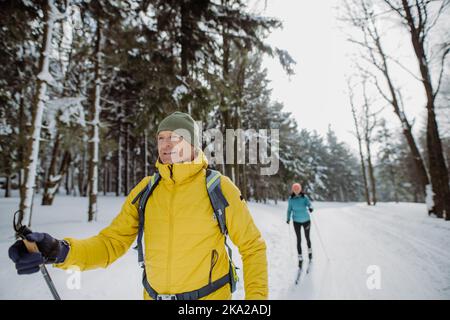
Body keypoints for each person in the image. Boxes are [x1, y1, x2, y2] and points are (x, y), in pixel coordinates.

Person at [9, 111, 268, 300]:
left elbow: (252, 247)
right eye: (161, 137)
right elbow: (110, 243)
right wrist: (58, 250)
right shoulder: (146, 189)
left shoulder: (218, 187)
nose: (166, 144)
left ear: (193, 145)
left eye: (175, 137)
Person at [286, 183, 313, 269]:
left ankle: (310, 252)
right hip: (296, 221)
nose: (296, 191)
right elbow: (289, 210)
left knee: (307, 238)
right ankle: (300, 258)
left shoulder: (304, 197)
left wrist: (310, 208)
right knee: (299, 240)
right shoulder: (291, 199)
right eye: (295, 189)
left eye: (298, 189)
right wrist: (288, 218)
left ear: (300, 189)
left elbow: (309, 204)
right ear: (293, 190)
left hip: (306, 221)